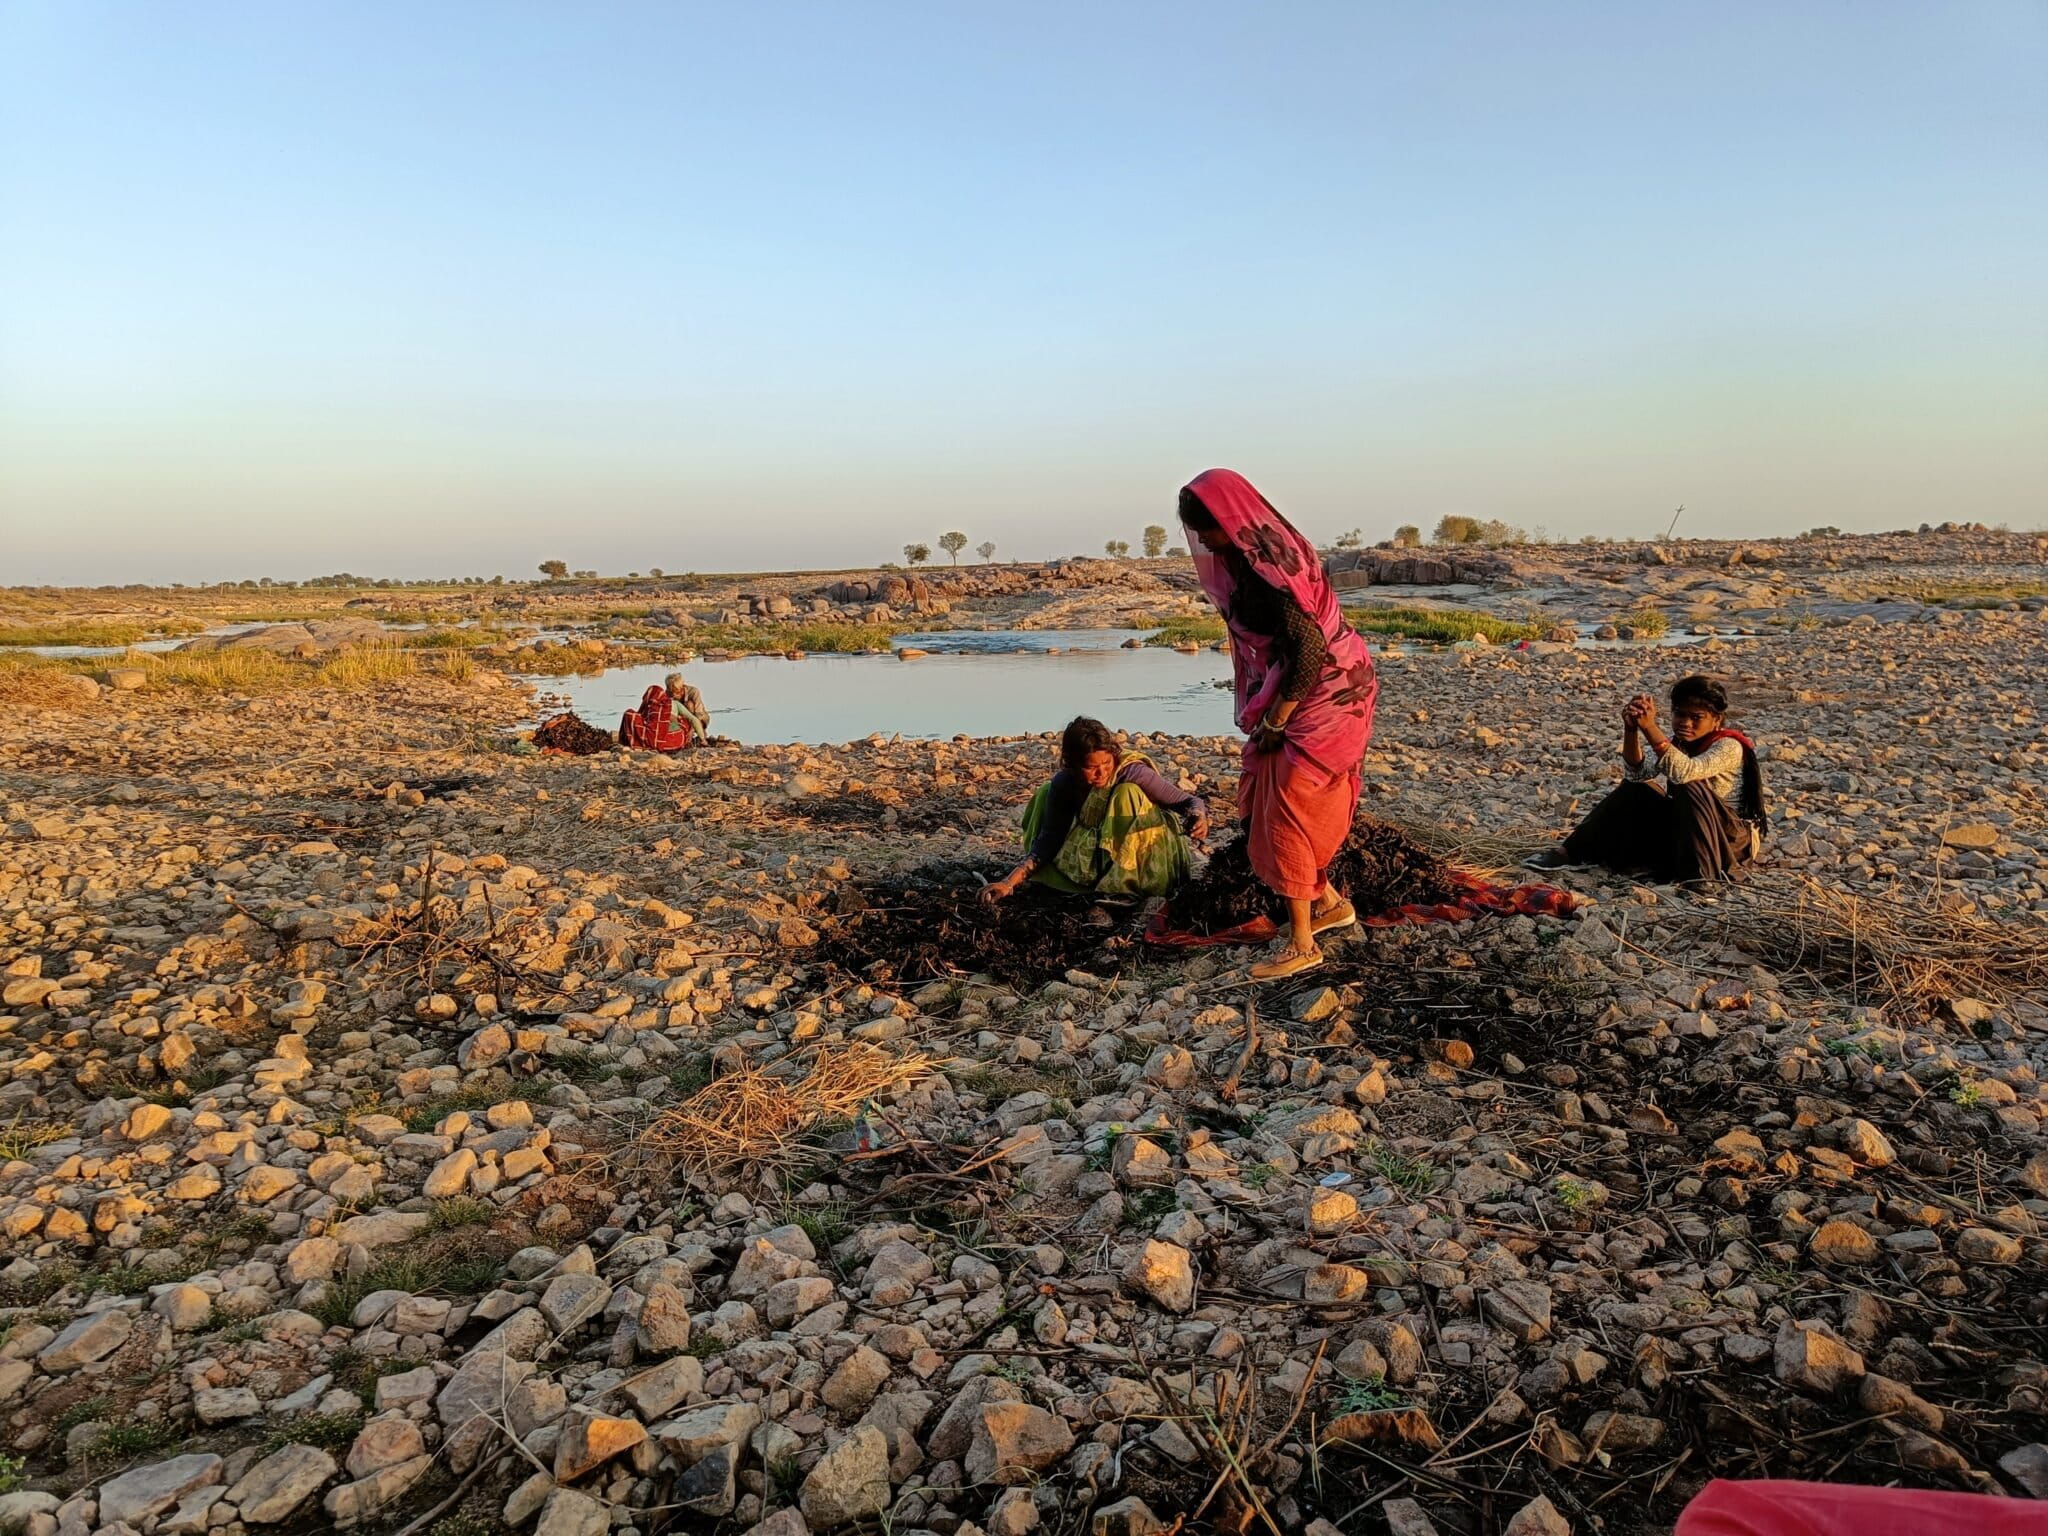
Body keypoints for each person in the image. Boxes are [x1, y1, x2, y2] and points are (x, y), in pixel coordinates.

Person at [1178, 468, 1379, 980]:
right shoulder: (1253, 560)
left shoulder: (1272, 578)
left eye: (1207, 528)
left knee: (1292, 800)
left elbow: (1308, 649)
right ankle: (1330, 903)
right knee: (1267, 793)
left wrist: (1277, 718)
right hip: (1315, 681)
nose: (1201, 539)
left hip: (1326, 691)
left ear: (1232, 520)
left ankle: (1303, 942)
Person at [1527, 673, 1765, 881]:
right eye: (1679, 714)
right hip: (1690, 830)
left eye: (1696, 717)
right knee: (1637, 788)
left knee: (1687, 785)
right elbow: (1637, 773)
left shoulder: (1729, 746)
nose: (1685, 723)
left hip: (1726, 839)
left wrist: (1651, 728)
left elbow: (1685, 772)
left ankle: (1700, 878)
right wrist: (1632, 730)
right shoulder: (1678, 744)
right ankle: (1569, 852)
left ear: (1716, 720)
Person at [982, 716, 1210, 909]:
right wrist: (1009, 882)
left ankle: (1125, 888)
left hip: (1145, 861)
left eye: (1107, 763)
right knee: (1045, 792)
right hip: (1097, 851)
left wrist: (1198, 817)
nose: (1101, 773)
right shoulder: (1066, 783)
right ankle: (1087, 882)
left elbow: (1189, 801)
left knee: (1126, 794)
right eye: (1091, 768)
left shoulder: (1132, 772)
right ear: (1072, 764)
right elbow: (1050, 839)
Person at [619, 671, 710, 753]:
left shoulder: (693, 692)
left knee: (690, 706)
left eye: (674, 690)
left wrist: (693, 730)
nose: (672, 693)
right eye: (670, 690)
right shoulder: (667, 700)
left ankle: (699, 732)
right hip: (675, 736)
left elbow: (697, 716)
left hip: (700, 717)